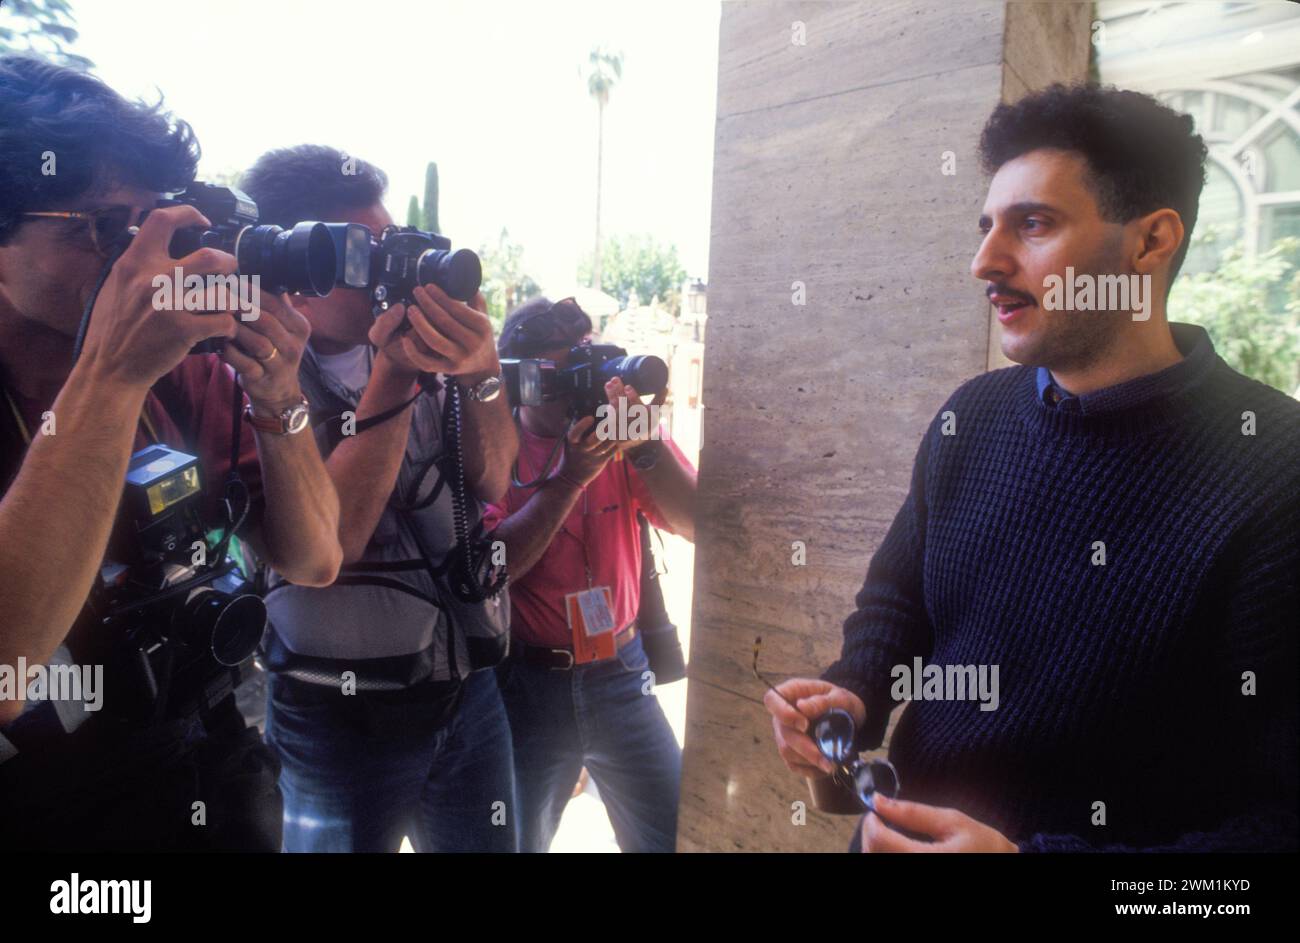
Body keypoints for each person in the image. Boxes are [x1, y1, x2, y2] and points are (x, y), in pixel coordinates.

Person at [765, 83, 1298, 853]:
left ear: (1150, 243)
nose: (986, 261)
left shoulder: (1277, 473)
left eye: (1035, 224)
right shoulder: (971, 416)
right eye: (986, 226)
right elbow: (897, 602)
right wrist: (854, 691)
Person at [0, 56, 343, 850]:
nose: (147, 265)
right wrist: (111, 376)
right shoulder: (135, 369)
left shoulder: (181, 375)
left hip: (207, 767)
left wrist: (278, 394)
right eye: (107, 228)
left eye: (165, 229)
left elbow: (315, 558)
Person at [241, 145, 521, 852]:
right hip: (337, 718)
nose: (394, 270)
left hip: (464, 690)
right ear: (298, 265)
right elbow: (333, 546)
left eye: (395, 245)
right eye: (368, 253)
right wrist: (394, 378)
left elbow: (492, 481)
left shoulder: (419, 340)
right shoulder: (251, 372)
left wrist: (481, 374)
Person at [486, 296, 696, 853]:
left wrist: (647, 446)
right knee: (517, 840)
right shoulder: (494, 451)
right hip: (529, 682)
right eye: (567, 378)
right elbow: (493, 568)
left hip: (622, 674)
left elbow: (700, 524)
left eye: (588, 371)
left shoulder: (621, 438)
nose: (585, 392)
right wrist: (570, 480)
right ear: (525, 380)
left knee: (671, 834)